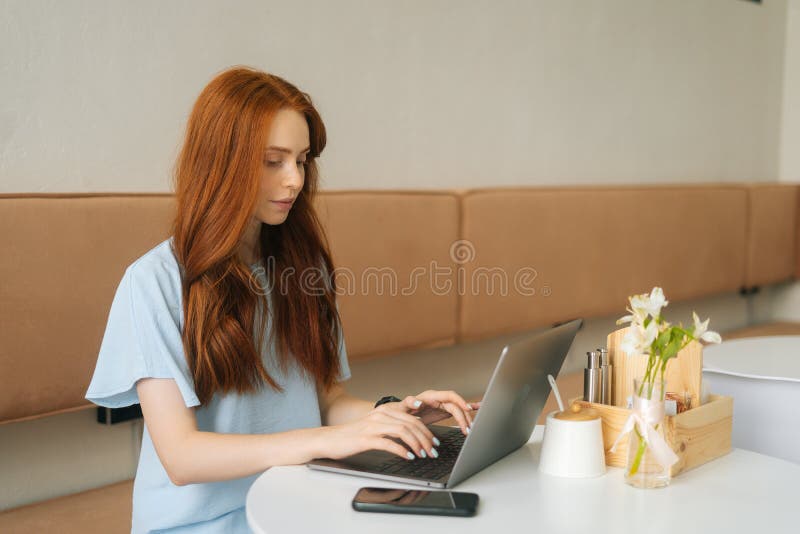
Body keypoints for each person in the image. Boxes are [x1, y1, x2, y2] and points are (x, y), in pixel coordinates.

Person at [85, 66, 476, 534]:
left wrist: (390, 417)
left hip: (300, 506)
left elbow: (328, 401)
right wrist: (329, 440)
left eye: (303, 160)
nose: (294, 180)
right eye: (274, 161)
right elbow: (182, 457)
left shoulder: (301, 269)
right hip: (204, 524)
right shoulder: (154, 282)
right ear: (221, 162)